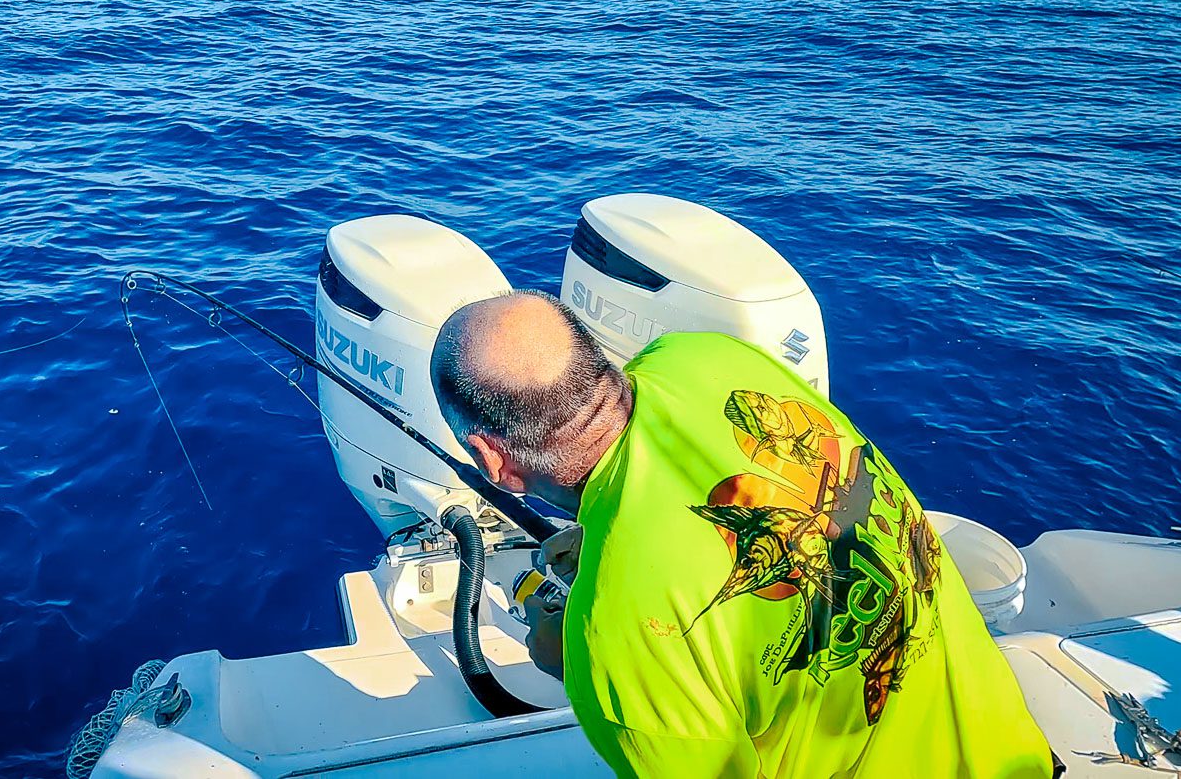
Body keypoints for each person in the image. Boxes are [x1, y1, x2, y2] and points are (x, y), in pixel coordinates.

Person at [429, 290, 1054, 779]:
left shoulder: (615, 645)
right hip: (1011, 749)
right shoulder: (704, 356)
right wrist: (603, 546)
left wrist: (579, 660)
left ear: (492, 461)